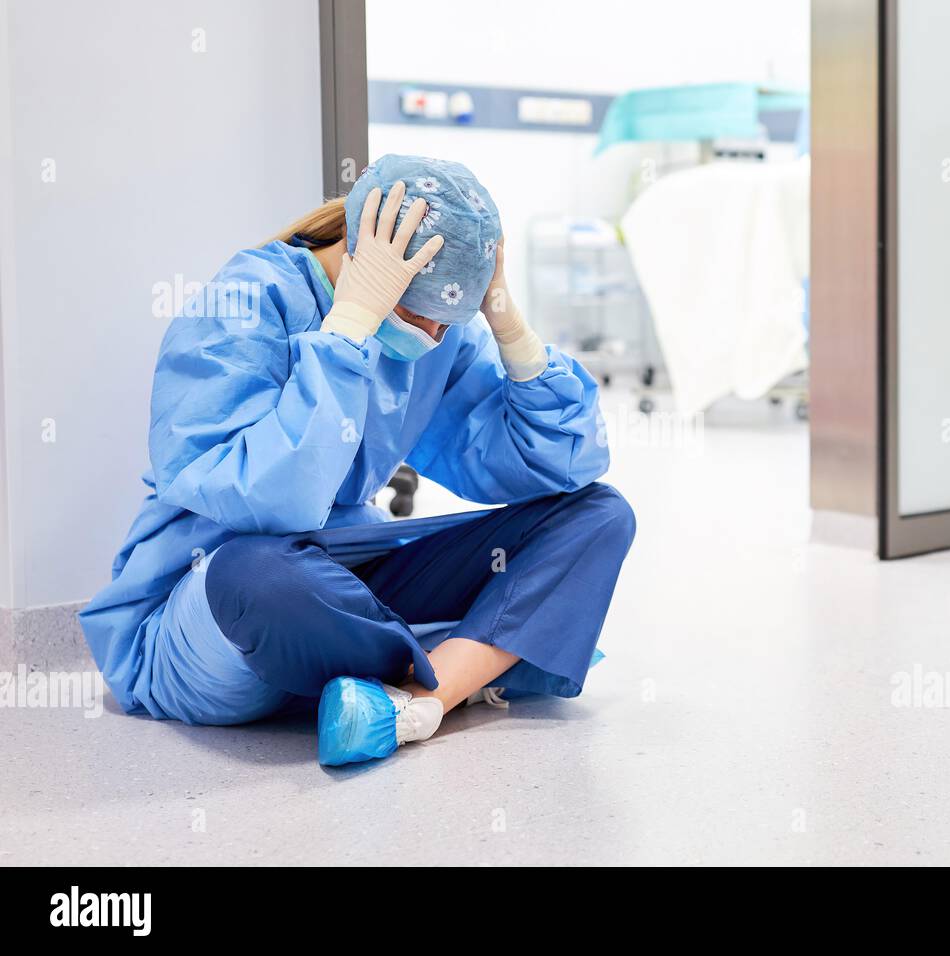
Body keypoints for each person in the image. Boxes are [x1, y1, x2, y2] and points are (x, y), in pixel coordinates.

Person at [79, 155, 635, 767]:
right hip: (216, 611)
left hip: (347, 585)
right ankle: (463, 671)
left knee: (597, 513)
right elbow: (269, 501)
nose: (432, 334)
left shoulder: (436, 335)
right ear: (359, 260)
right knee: (259, 577)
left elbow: (551, 464)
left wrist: (513, 335)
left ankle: (416, 702)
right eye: (417, 312)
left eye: (449, 319)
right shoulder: (244, 302)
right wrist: (347, 333)